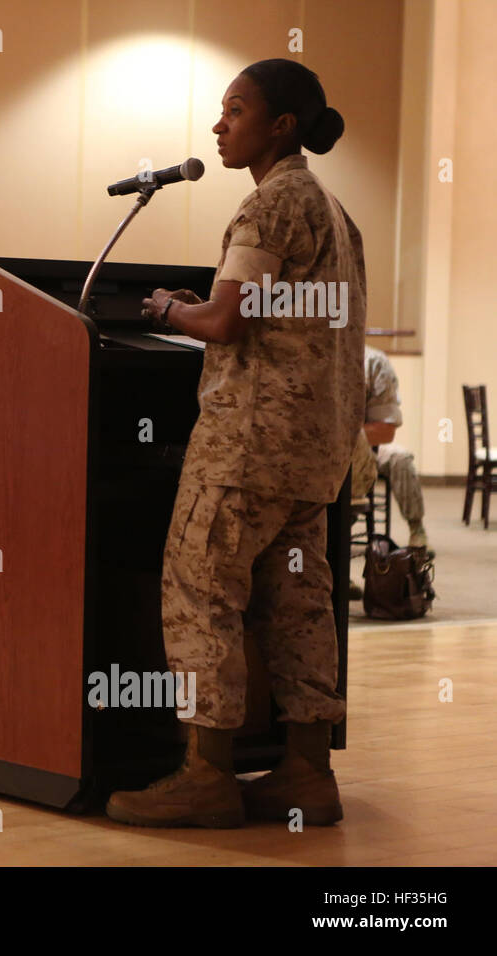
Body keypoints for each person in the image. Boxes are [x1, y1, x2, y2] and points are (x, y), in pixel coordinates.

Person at [104, 60, 365, 829]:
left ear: (279, 125)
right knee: (299, 606)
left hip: (249, 447)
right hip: (313, 452)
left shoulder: (269, 205)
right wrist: (205, 307)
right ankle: (307, 774)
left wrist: (165, 310)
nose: (220, 125)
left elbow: (227, 323)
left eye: (235, 110)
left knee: (200, 590)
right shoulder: (333, 212)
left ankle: (205, 774)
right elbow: (273, 313)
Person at [350, 346, 429, 556]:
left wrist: (352, 438)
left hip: (366, 443)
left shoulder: (373, 362)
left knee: (401, 459)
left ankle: (416, 526)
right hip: (330, 450)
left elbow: (385, 431)